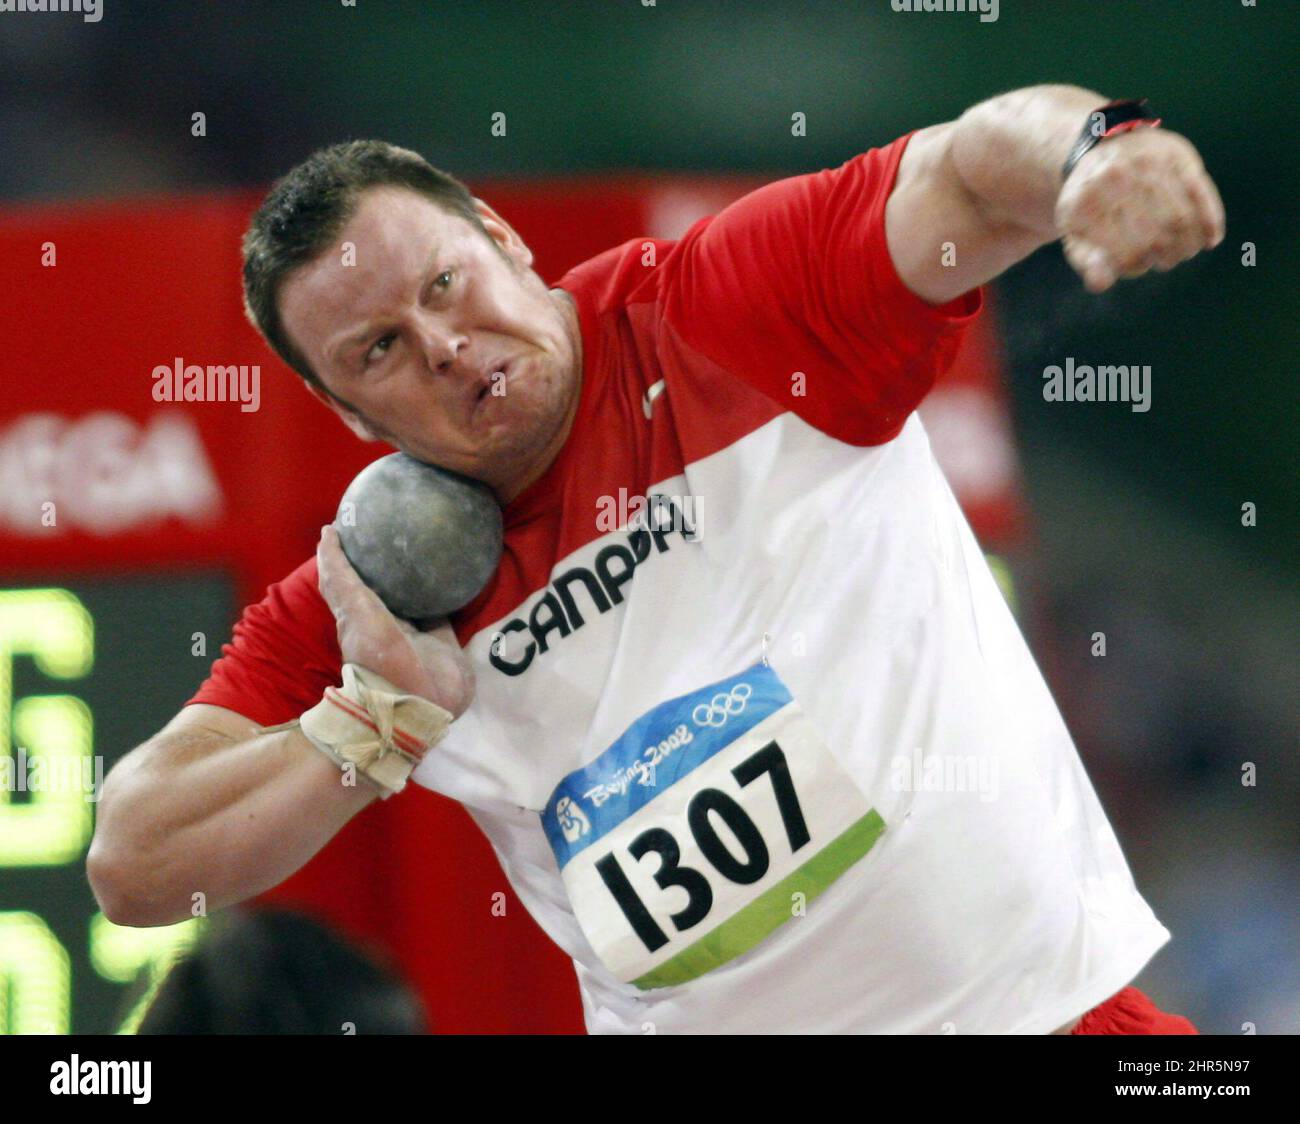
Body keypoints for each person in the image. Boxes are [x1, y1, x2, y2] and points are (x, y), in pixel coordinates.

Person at [88, 83, 1222, 1034]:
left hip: (1050, 1015)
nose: (442, 345)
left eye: (443, 284)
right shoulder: (376, 590)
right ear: (342, 409)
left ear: (499, 236)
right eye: (378, 348)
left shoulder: (728, 311)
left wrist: (1094, 149)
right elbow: (134, 864)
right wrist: (372, 724)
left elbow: (970, 169)